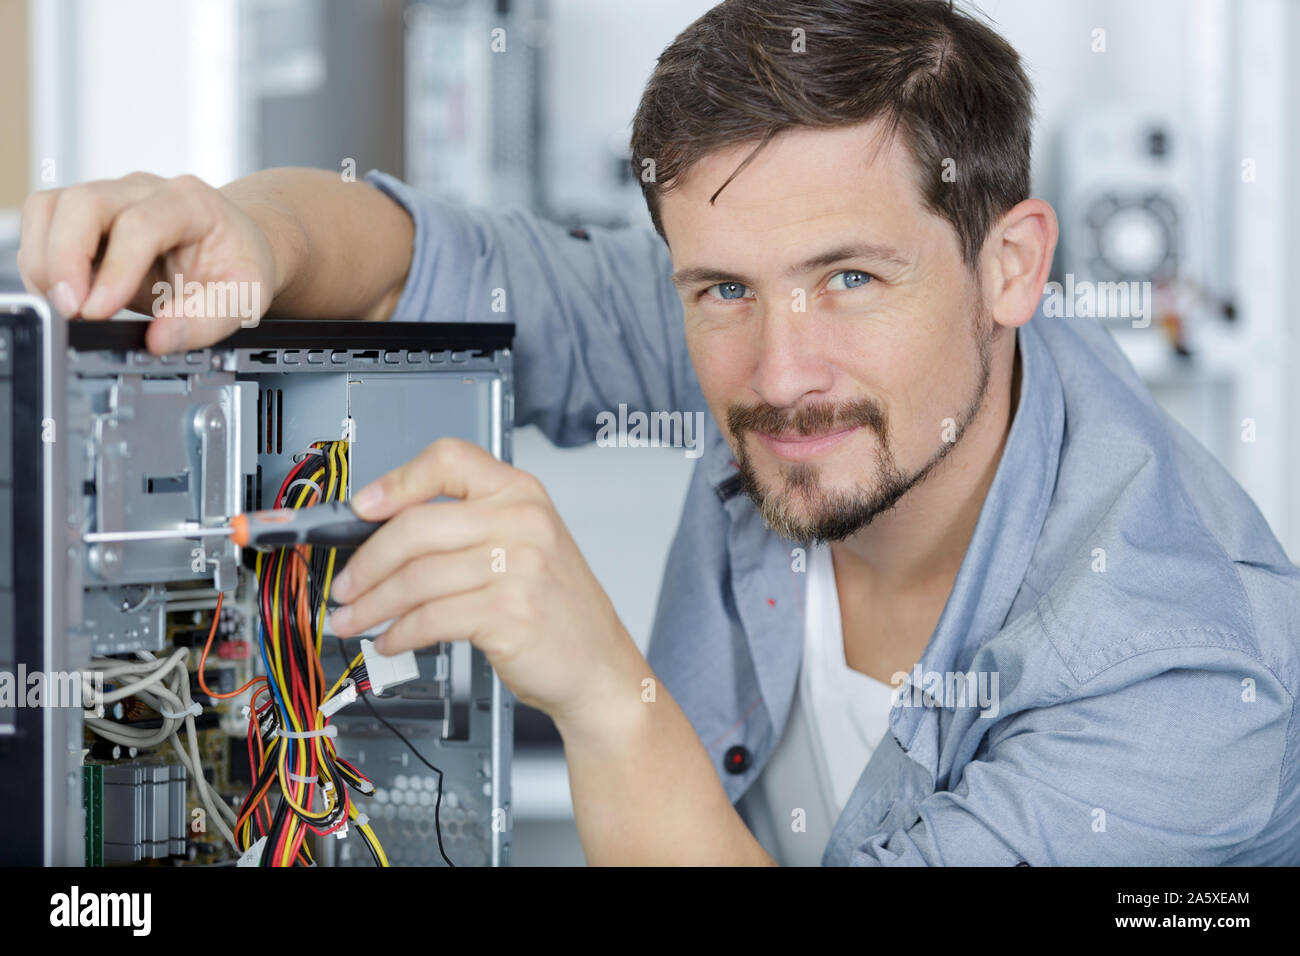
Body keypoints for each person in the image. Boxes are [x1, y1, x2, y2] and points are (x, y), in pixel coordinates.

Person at [18, 0, 1300, 865]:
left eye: (851, 277)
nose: (781, 371)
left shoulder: (1184, 683)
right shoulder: (764, 337)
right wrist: (250, 231)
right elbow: (430, 265)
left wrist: (603, 690)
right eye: (720, 288)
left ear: (1009, 266)